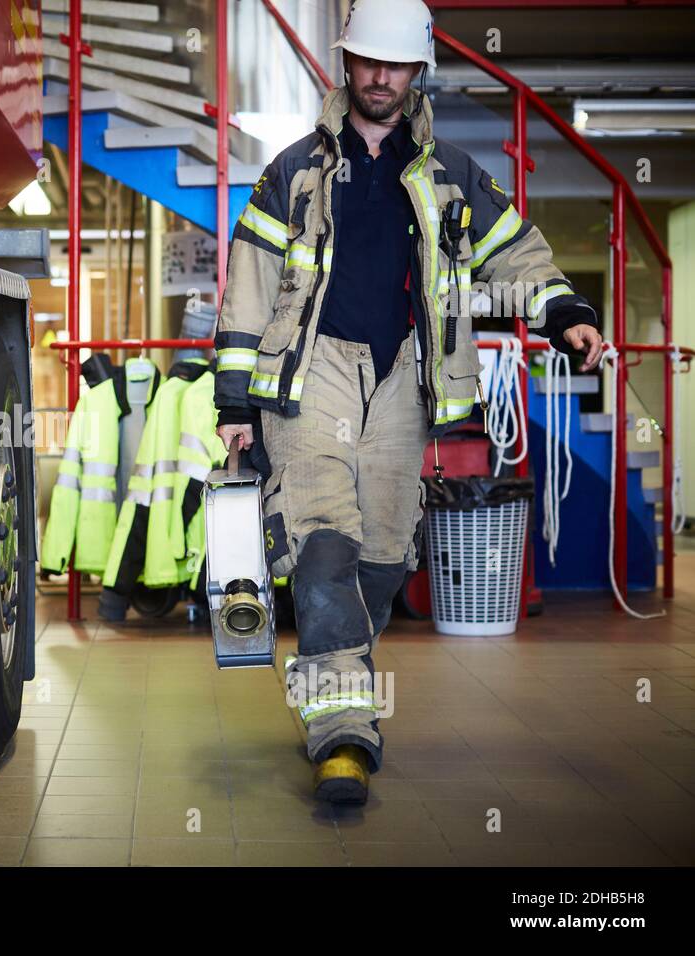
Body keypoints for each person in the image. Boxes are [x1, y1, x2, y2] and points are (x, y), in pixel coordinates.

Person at [213, 0, 603, 804]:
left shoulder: (451, 173)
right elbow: (248, 286)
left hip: (403, 379)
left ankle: (338, 676)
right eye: (369, 61)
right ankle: (341, 729)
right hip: (311, 375)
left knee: (384, 558)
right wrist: (235, 401)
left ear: (417, 72)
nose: (380, 77)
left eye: (396, 65)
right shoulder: (292, 170)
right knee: (323, 545)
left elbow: (515, 253)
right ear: (347, 63)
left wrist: (564, 311)